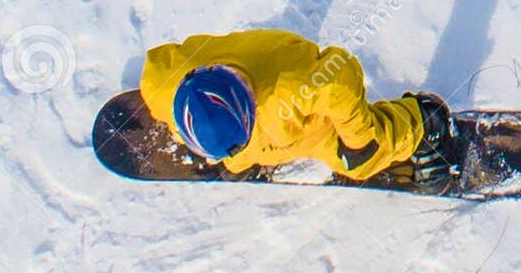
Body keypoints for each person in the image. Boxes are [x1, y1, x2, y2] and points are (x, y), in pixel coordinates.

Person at [140, 28, 458, 191]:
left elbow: (340, 79)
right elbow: (156, 65)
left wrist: (357, 140)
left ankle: (425, 124)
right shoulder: (162, 86)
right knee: (238, 159)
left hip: (309, 129)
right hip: (259, 137)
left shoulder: (296, 84)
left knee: (362, 161)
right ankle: (242, 157)